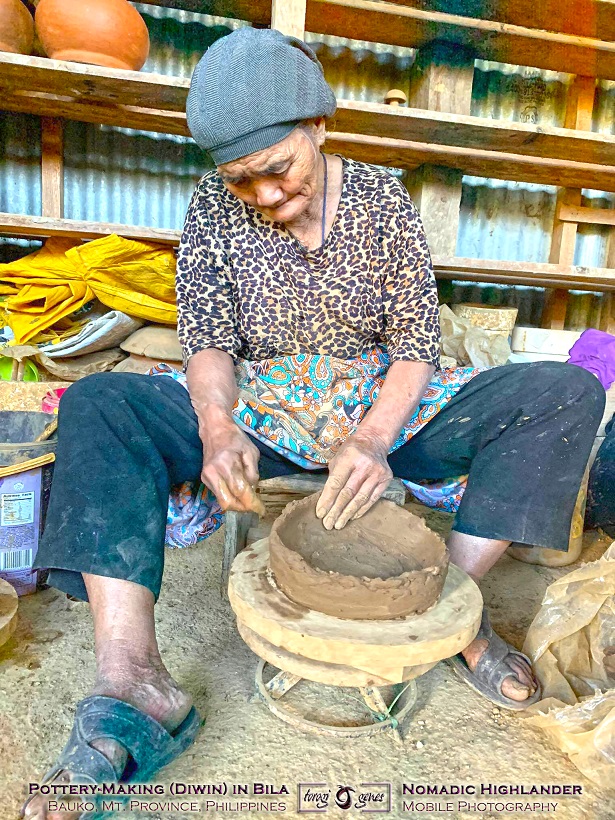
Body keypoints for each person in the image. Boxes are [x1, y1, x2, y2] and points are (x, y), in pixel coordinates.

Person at [23, 28, 605, 819]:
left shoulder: (380, 200)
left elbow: (413, 349)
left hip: (382, 409)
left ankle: (446, 615)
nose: (262, 195)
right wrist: (217, 424)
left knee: (563, 390)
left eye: (277, 170)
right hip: (263, 405)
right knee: (100, 402)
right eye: (241, 180)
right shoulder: (210, 213)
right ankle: (132, 679)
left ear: (318, 127)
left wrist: (369, 437)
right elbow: (208, 341)